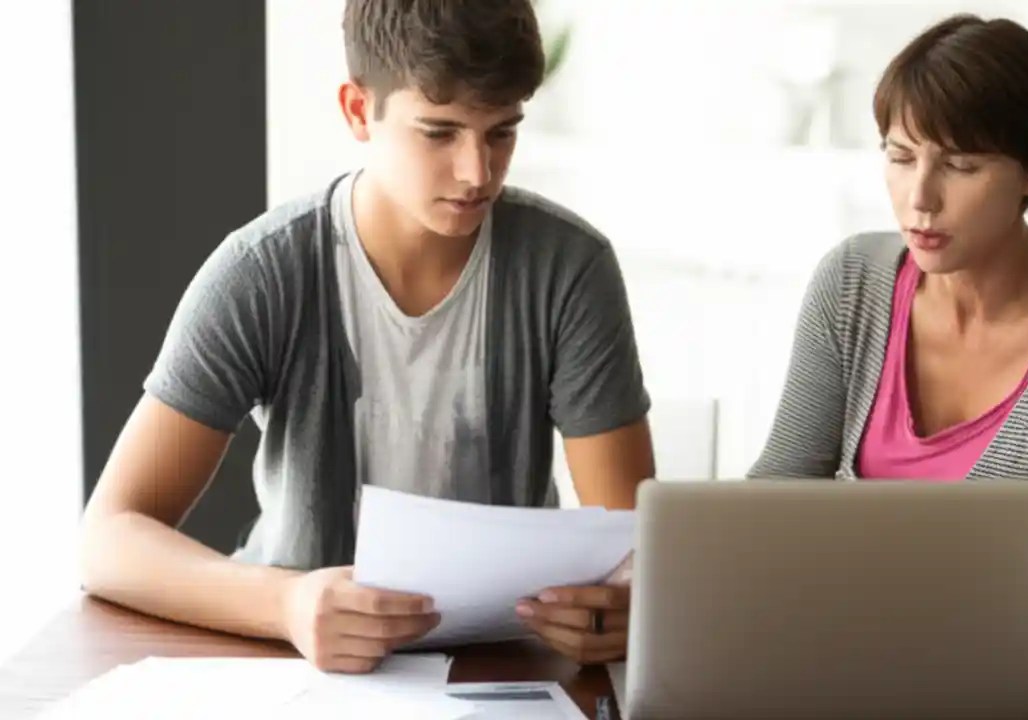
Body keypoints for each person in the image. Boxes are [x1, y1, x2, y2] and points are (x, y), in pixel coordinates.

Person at [79, 0, 653, 673]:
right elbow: (108, 540)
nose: (477, 172)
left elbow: (633, 550)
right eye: (439, 133)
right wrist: (288, 605)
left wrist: (621, 604)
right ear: (358, 111)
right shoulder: (264, 272)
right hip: (299, 666)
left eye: (502, 133)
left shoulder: (568, 270)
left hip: (502, 665)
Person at [749, 14, 1028, 720]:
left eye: (961, 165)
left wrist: (853, 618)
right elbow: (779, 493)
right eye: (900, 157)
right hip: (913, 680)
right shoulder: (853, 282)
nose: (921, 197)